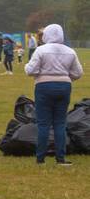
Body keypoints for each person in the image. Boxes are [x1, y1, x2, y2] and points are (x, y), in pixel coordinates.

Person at [23, 23, 82, 166]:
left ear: (47, 35)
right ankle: (60, 159)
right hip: (64, 86)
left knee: (43, 124)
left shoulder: (41, 50)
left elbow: (31, 70)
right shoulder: (70, 51)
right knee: (60, 123)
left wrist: (33, 71)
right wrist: (66, 76)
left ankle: (40, 159)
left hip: (44, 86)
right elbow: (78, 73)